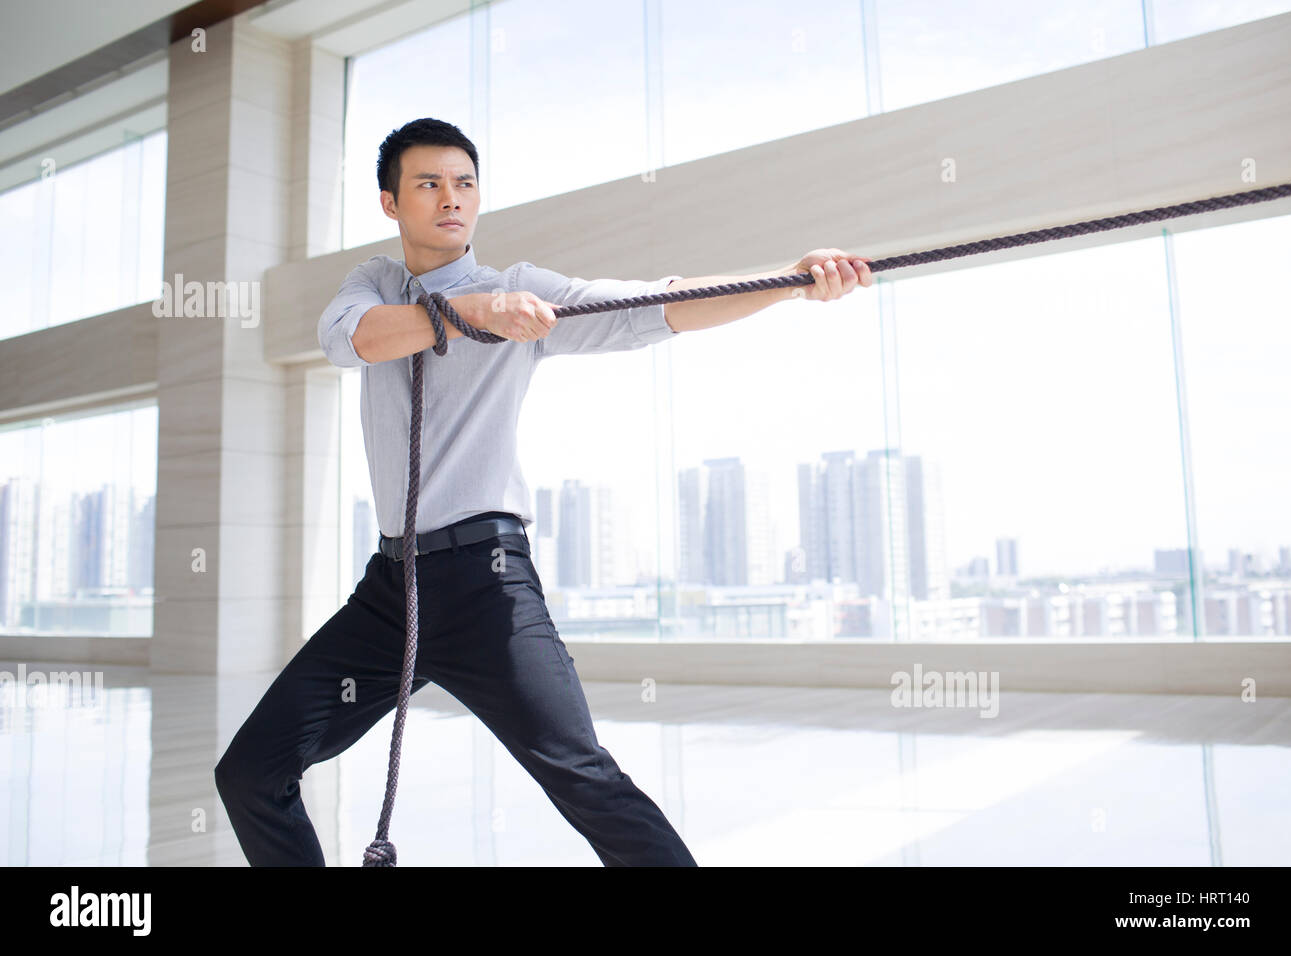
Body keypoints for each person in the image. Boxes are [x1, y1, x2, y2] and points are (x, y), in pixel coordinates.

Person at [214, 117, 871, 866]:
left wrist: (787, 280)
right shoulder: (376, 285)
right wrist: (476, 316)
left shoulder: (520, 292)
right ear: (392, 203)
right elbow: (353, 341)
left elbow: (655, 306)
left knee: (583, 778)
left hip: (483, 584)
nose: (450, 198)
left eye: (464, 183)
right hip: (392, 590)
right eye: (428, 183)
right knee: (249, 772)